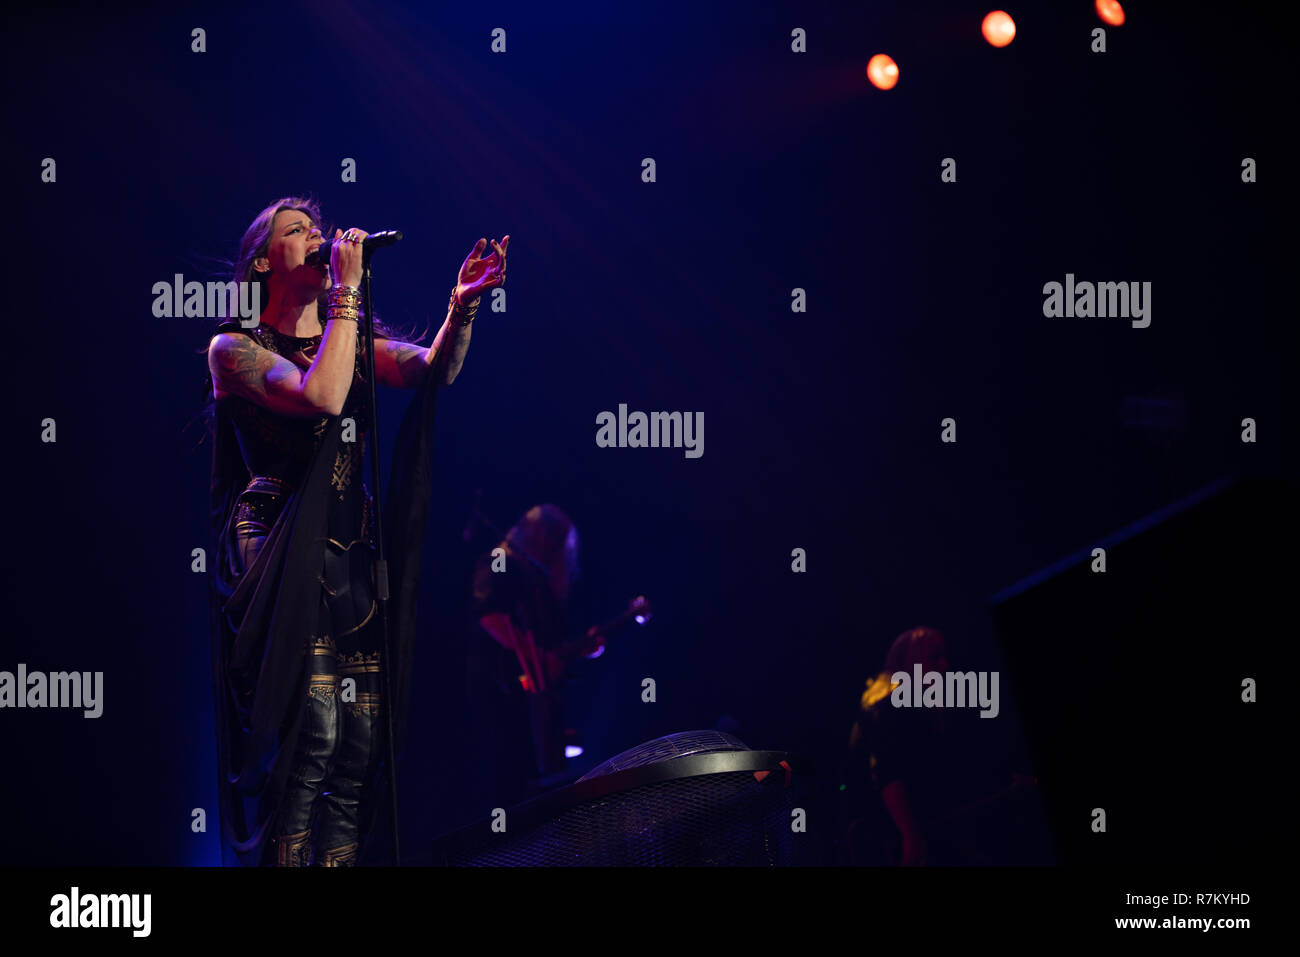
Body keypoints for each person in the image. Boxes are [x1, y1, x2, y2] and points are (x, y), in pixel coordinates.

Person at [204, 196, 508, 866]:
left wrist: (463, 304)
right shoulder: (235, 348)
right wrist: (344, 290)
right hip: (280, 544)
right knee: (314, 731)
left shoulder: (350, 337)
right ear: (263, 261)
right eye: (297, 230)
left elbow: (432, 371)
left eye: (317, 227)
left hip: (351, 549)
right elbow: (320, 395)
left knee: (360, 742)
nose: (316, 235)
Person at [466, 505, 589, 806]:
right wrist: (536, 659)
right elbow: (488, 616)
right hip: (502, 689)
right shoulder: (500, 562)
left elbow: (546, 647)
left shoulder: (538, 581)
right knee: (510, 779)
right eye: (551, 539)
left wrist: (571, 652)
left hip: (531, 697)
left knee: (540, 784)